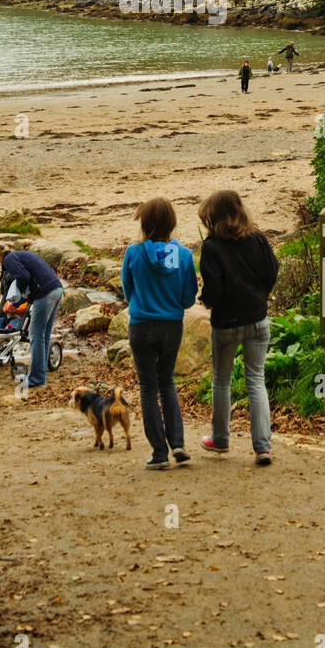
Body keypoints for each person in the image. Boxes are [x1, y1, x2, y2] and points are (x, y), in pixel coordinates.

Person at [197, 189, 279, 466]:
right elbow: (272, 272)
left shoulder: (211, 247)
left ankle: (220, 438)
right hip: (257, 319)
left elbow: (214, 289)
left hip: (226, 324)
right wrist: (259, 296)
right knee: (256, 380)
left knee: (222, 379)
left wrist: (206, 301)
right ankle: (262, 446)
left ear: (212, 217)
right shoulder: (257, 238)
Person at [121, 198, 198, 469]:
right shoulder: (185, 256)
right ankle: (177, 442)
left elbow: (128, 292)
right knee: (167, 383)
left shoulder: (133, 253)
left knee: (148, 387)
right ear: (172, 223)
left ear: (144, 223)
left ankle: (159, 454)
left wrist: (144, 302)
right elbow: (189, 298)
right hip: (171, 326)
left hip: (141, 325)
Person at [0, 247, 64, 388]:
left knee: (35, 335)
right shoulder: (23, 255)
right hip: (57, 288)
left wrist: (15, 302)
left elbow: (23, 277)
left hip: (45, 292)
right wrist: (20, 302)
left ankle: (37, 378)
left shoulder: (9, 259)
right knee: (43, 335)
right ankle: (41, 373)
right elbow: (30, 280)